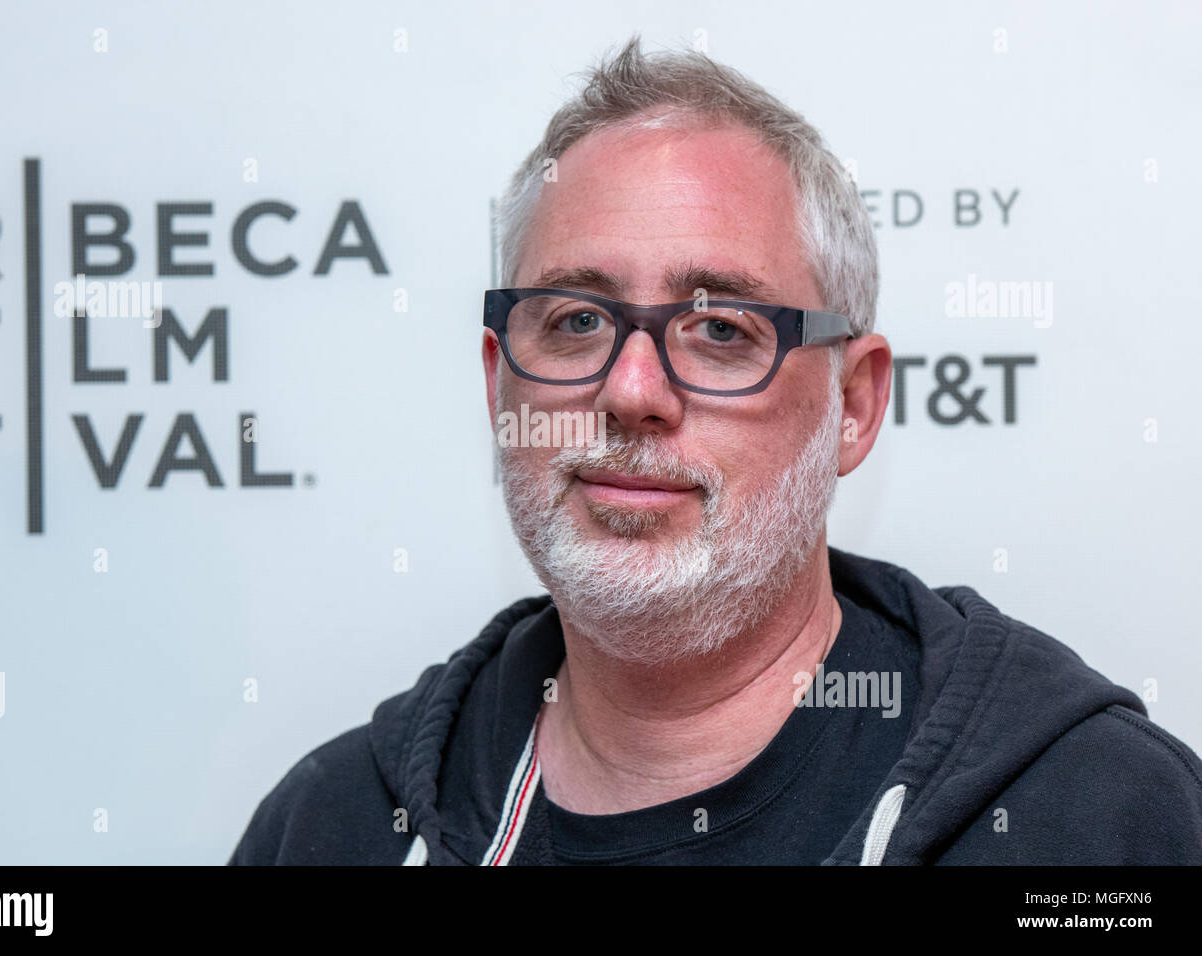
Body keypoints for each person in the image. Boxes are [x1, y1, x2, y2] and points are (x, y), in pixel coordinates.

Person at [229, 36, 1202, 865]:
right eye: (573, 319)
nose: (631, 392)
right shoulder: (331, 827)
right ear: (498, 383)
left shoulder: (1096, 822)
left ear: (853, 404)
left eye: (722, 330)